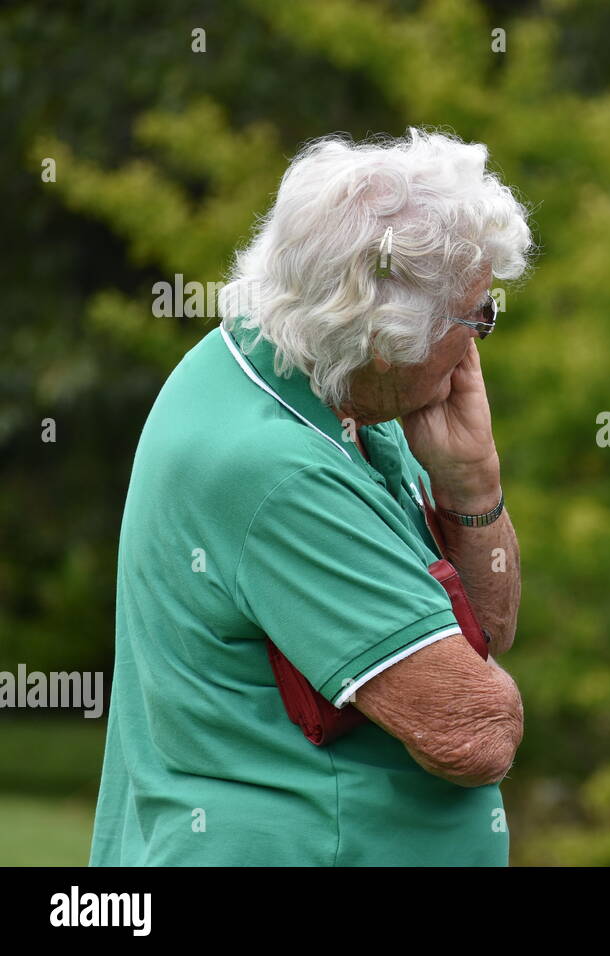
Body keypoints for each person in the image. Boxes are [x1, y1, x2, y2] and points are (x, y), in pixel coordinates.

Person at [90, 127, 533, 865]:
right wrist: (469, 673)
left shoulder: (335, 390)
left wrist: (472, 484)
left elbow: (491, 627)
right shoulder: (274, 465)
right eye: (475, 314)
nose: (479, 341)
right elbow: (475, 734)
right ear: (390, 339)